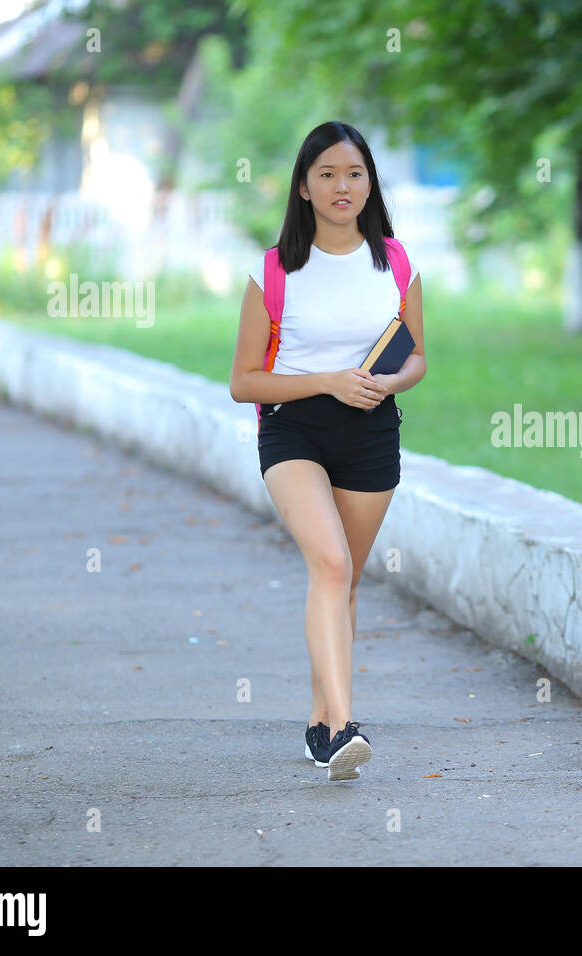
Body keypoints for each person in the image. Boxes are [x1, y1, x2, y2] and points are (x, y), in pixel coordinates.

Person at [228, 121, 426, 781]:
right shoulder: (276, 269)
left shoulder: (395, 261)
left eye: (355, 173)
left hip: (371, 430)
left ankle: (319, 724)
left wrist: (387, 380)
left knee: (342, 581)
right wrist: (326, 381)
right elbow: (243, 381)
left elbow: (417, 353)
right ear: (305, 188)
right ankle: (344, 727)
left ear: (370, 183)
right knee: (331, 563)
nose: (343, 186)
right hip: (294, 429)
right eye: (327, 175)